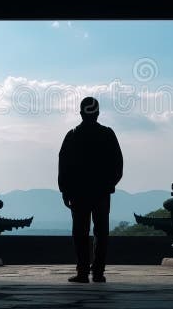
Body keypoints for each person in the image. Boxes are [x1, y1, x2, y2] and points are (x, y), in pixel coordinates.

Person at [58, 96, 123, 283]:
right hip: (101, 192)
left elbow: (64, 164)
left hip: (78, 193)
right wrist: (110, 184)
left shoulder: (72, 135)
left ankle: (82, 271)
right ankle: (98, 272)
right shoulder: (107, 134)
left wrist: (65, 190)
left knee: (80, 232)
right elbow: (118, 163)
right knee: (101, 232)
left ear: (81, 113)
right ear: (98, 113)